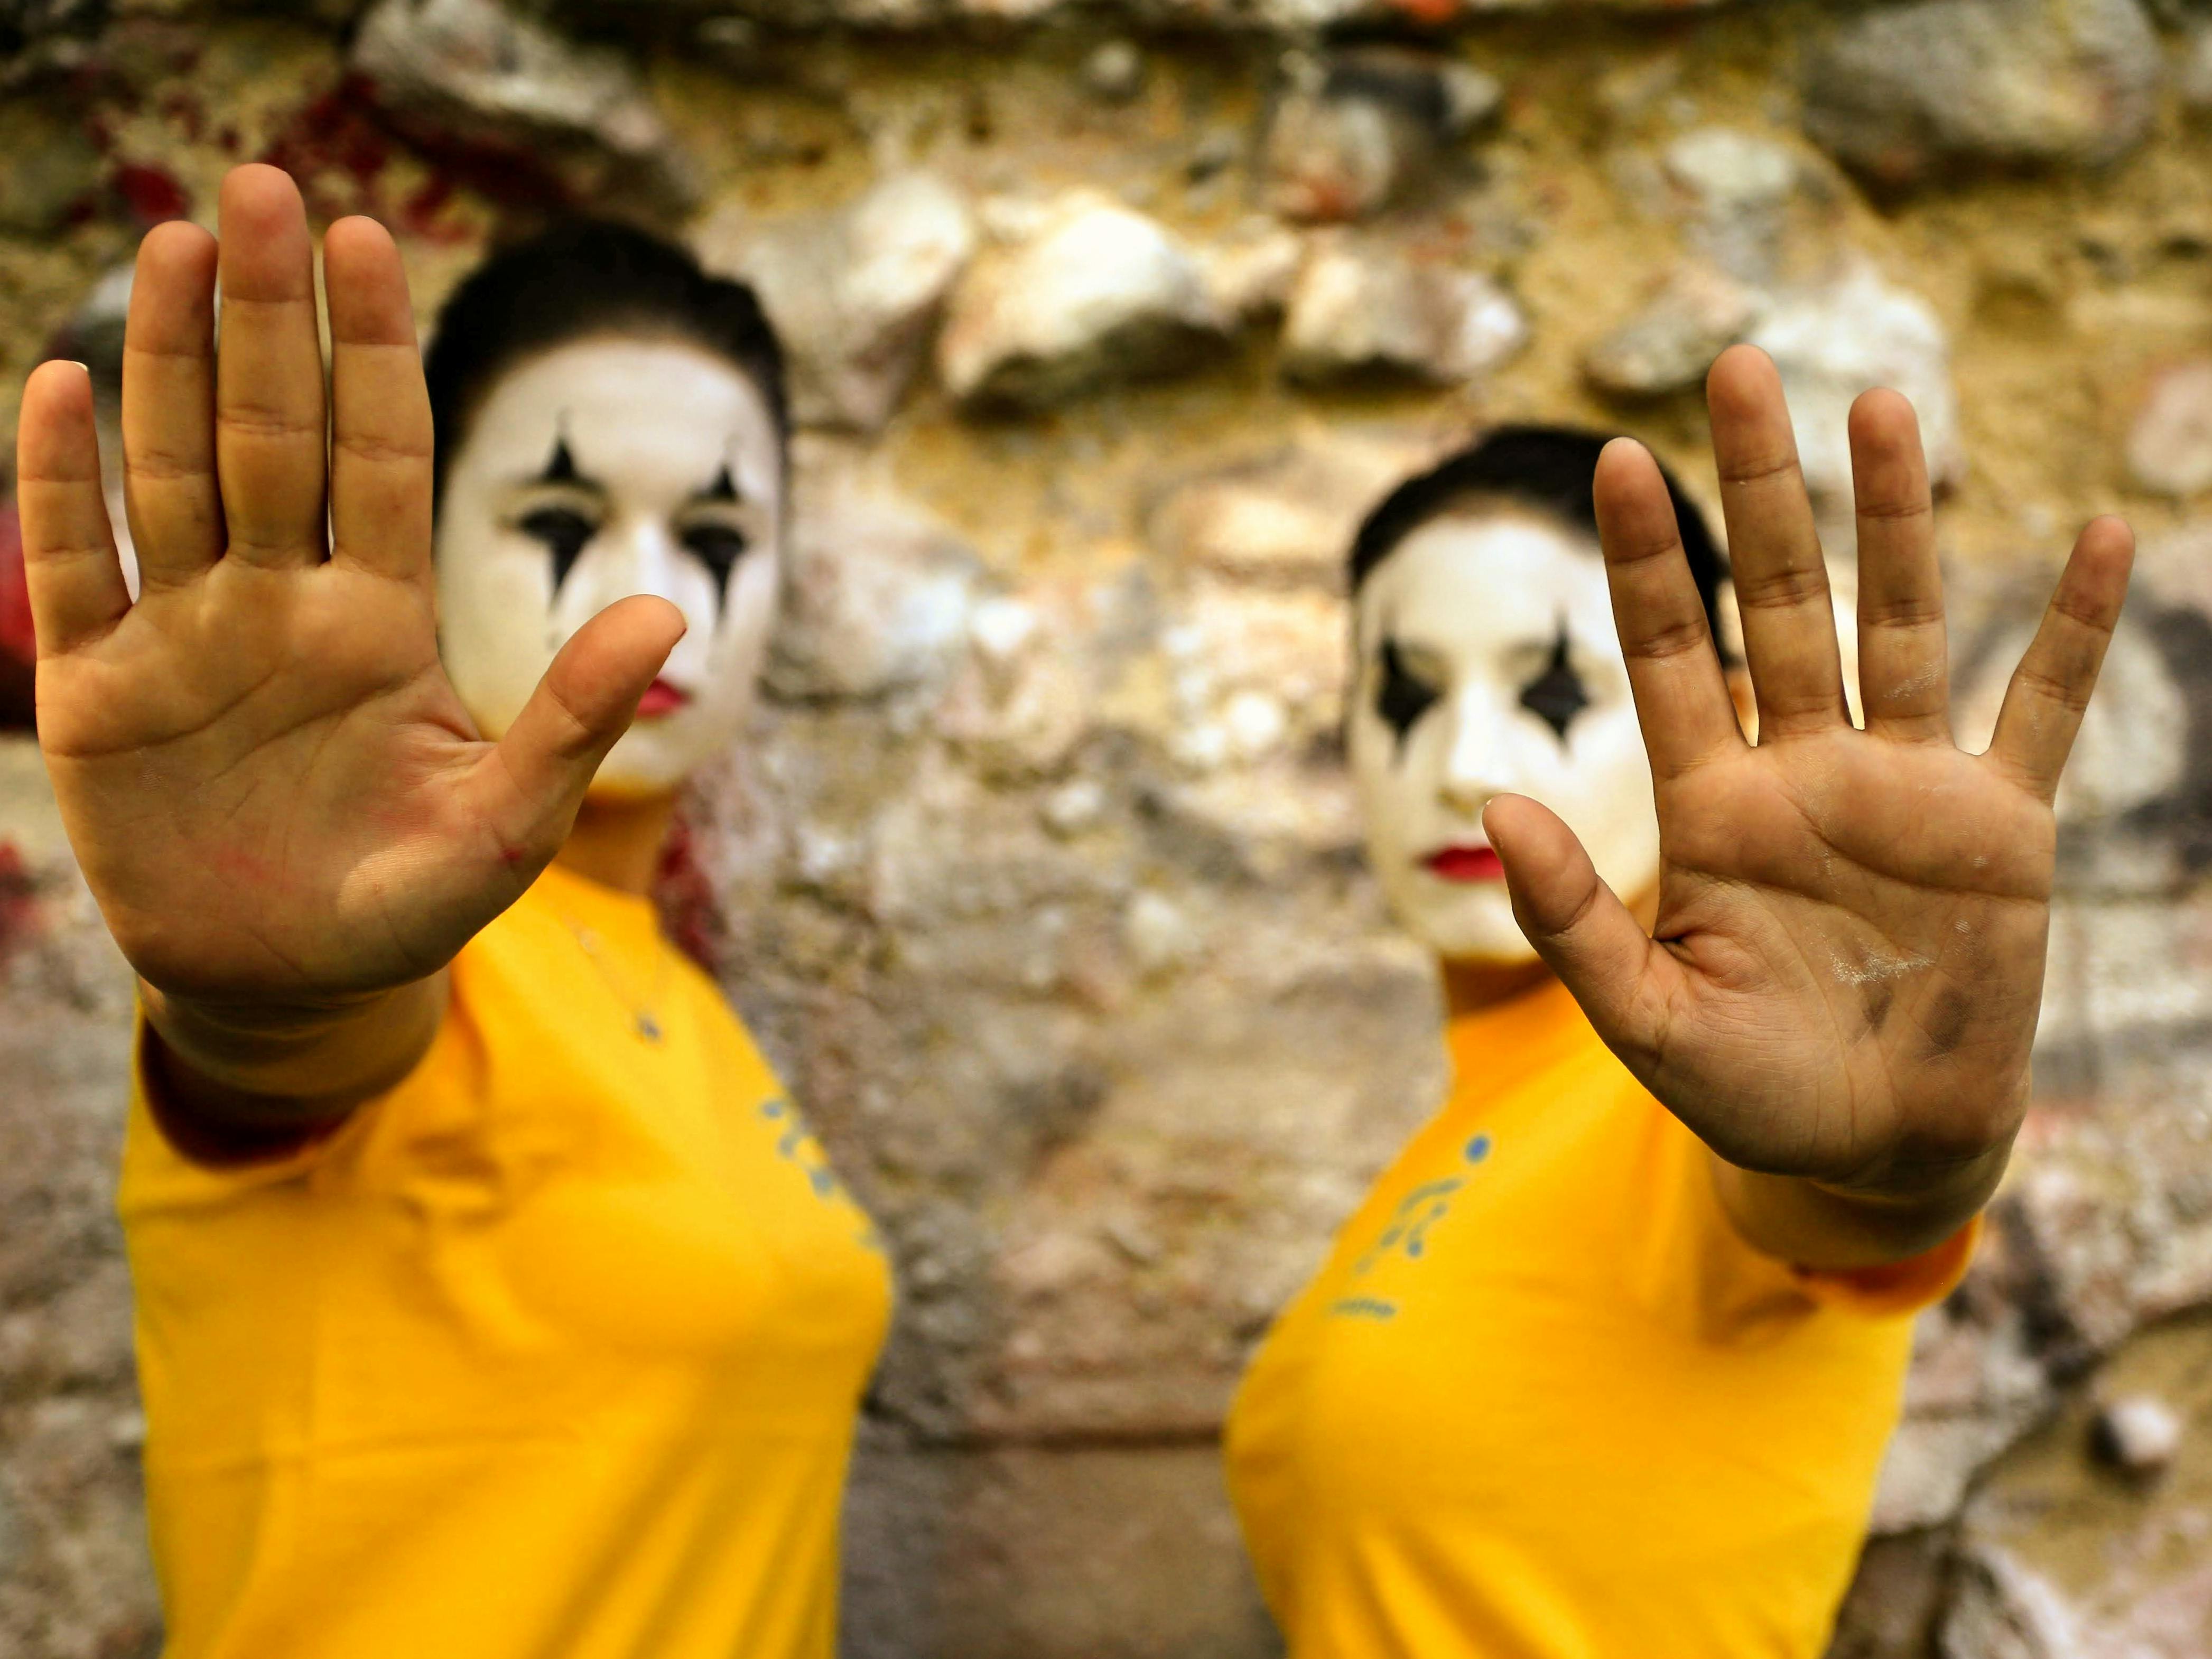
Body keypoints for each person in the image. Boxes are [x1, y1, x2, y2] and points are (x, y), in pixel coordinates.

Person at [16, 164, 890, 1658]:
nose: (650, 590)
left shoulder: (680, 997)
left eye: (720, 535)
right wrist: (262, 992)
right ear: (415, 530)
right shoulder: (400, 947)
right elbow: (292, 1039)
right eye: (560, 512)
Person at [1224, 355, 2133, 1656]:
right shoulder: (1489, 1107)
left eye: (1550, 692)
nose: (1464, 768)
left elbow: (1820, 1194)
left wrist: (1899, 1162)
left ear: (1724, 711)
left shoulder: (1707, 1084)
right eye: (1406, 695)